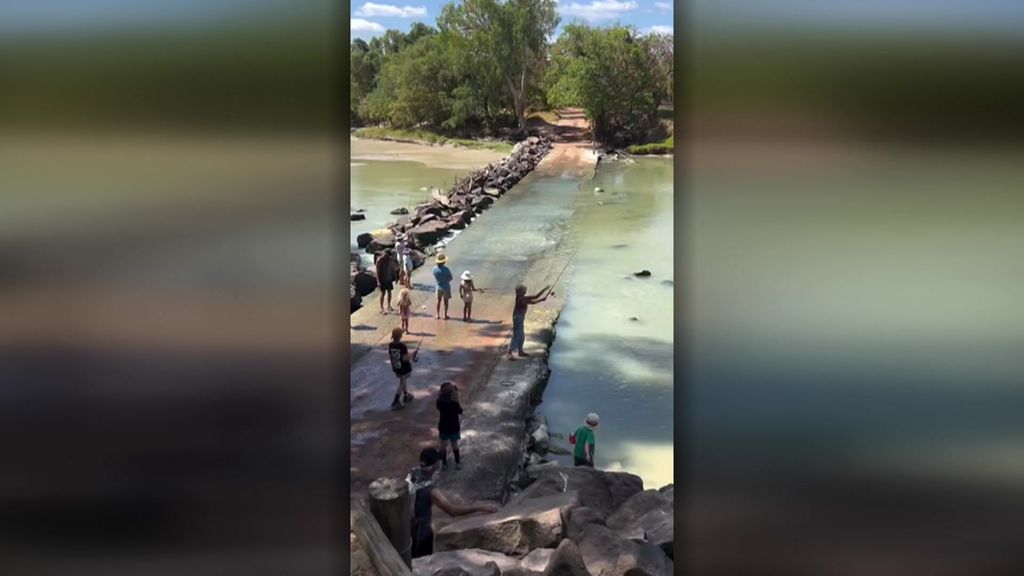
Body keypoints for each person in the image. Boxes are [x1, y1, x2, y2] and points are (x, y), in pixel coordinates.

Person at [408, 447, 500, 558]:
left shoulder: (413, 473)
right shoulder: (431, 491)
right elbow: (452, 511)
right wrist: (482, 507)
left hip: (409, 529)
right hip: (422, 535)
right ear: (435, 465)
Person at [506, 284, 551, 361]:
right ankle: (511, 353)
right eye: (524, 290)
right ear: (521, 292)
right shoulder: (521, 299)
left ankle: (520, 350)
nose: (525, 291)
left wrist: (544, 289)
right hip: (518, 318)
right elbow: (533, 301)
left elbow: (535, 297)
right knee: (517, 335)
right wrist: (541, 300)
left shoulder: (521, 297)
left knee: (521, 335)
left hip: (520, 317)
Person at [436, 382, 464, 470]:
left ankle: (444, 463)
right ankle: (458, 463)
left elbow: (439, 403)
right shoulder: (454, 403)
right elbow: (461, 411)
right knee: (454, 444)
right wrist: (457, 398)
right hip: (453, 427)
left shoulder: (439, 401)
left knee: (443, 445)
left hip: (443, 427)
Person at [388, 327, 417, 410]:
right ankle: (395, 401)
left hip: (396, 366)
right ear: (400, 336)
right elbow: (405, 359)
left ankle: (406, 395)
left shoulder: (391, 345)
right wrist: (412, 354)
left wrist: (393, 366)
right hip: (404, 367)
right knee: (402, 382)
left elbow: (391, 356)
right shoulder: (402, 346)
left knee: (403, 380)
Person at [432, 253, 454, 320]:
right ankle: (445, 315)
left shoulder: (434, 269)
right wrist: (446, 280)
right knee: (446, 302)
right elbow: (451, 278)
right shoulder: (446, 269)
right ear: (444, 261)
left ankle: (438, 314)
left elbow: (435, 276)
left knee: (438, 301)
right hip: (446, 287)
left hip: (438, 287)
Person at [375, 249, 395, 313]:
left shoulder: (389, 259)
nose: (388, 257)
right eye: (386, 256)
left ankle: (389, 305)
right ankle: (381, 308)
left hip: (388, 278)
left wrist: (395, 277)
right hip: (382, 279)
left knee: (389, 292)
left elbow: (392, 268)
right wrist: (378, 281)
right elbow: (377, 272)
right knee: (383, 293)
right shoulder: (379, 260)